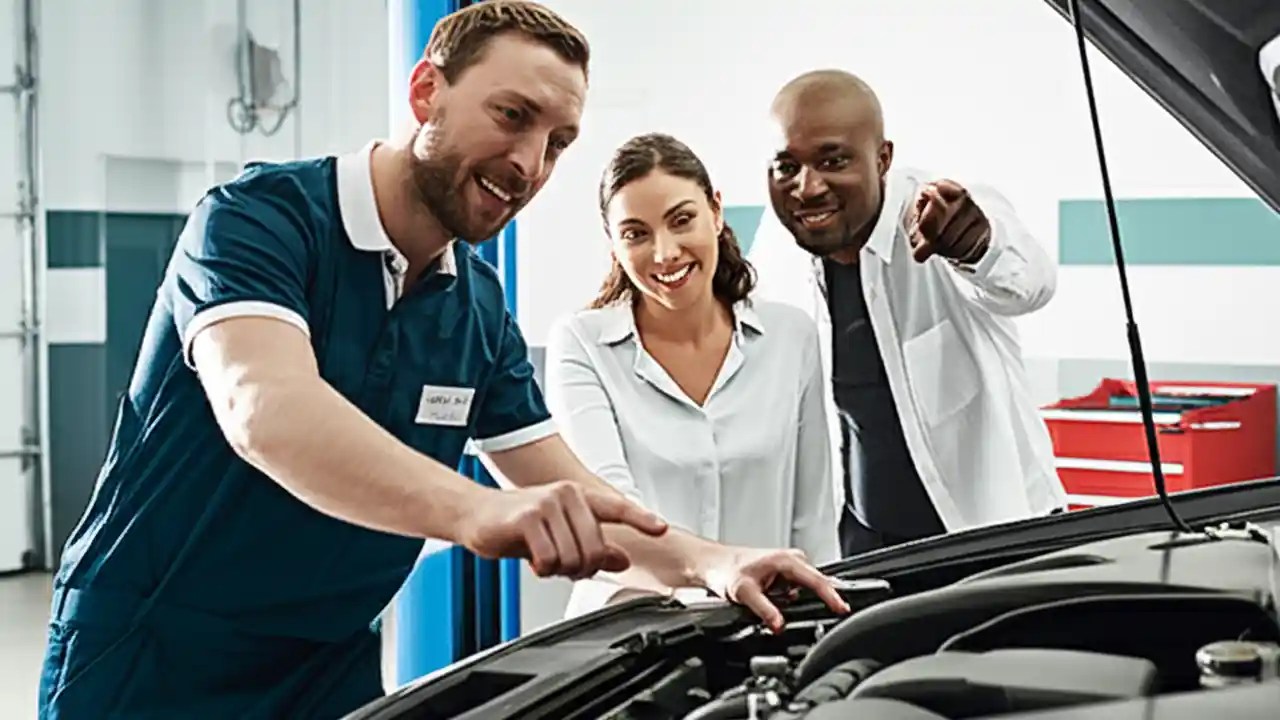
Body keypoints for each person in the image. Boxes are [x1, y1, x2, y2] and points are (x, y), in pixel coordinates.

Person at [37, 6, 848, 719]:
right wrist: (473, 512)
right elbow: (264, 409)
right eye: (512, 115)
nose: (530, 165)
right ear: (426, 91)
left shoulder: (476, 306)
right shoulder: (259, 222)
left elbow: (561, 484)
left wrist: (714, 561)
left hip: (326, 663)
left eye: (557, 142)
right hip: (152, 650)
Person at [750, 69, 1068, 557]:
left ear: (883, 159)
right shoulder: (777, 248)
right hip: (860, 544)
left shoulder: (938, 216)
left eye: (833, 160)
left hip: (990, 537)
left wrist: (976, 246)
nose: (807, 188)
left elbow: (1031, 284)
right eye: (786, 167)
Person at [545, 133, 840, 616]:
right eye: (636, 233)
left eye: (681, 220)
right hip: (633, 626)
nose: (665, 253)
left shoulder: (791, 335)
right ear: (614, 244)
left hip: (768, 624)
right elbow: (611, 509)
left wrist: (822, 621)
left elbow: (813, 522)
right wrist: (713, 573)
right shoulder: (582, 345)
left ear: (716, 211)